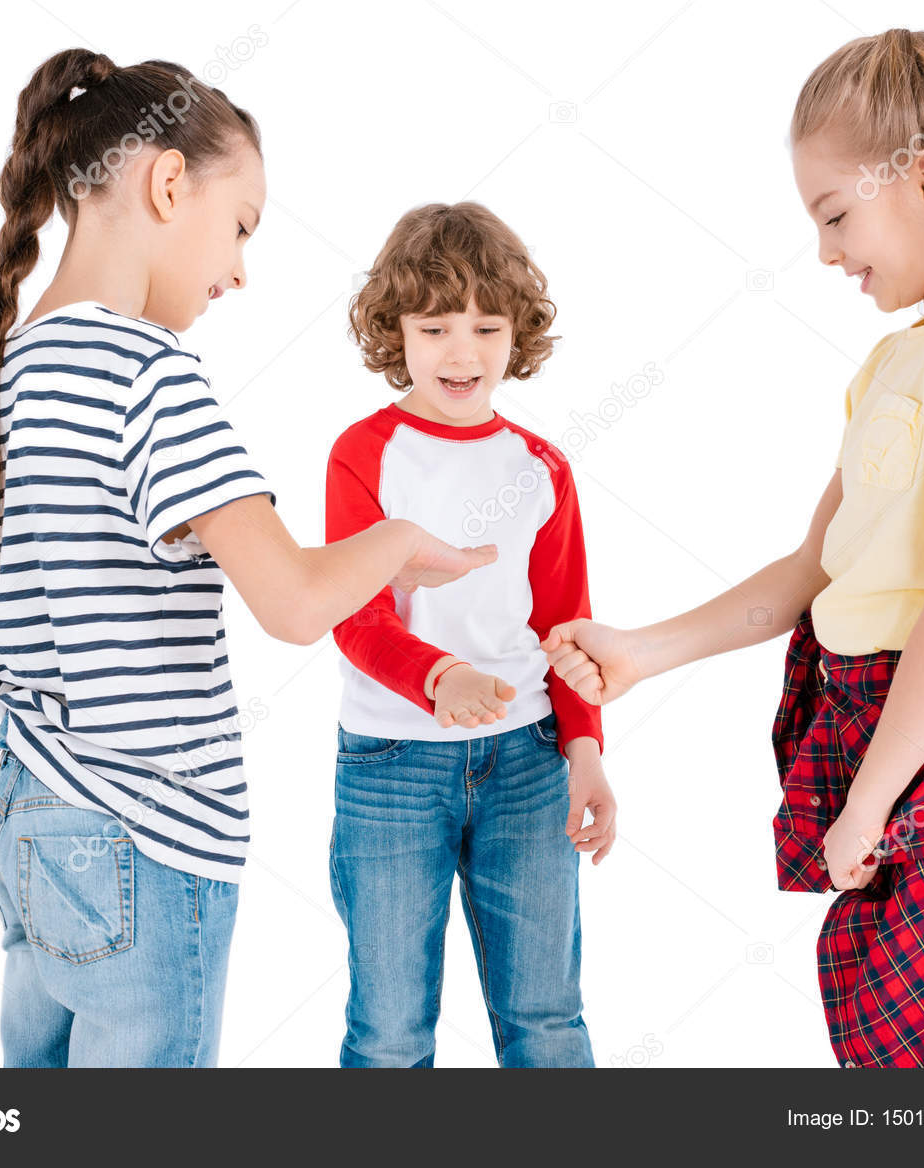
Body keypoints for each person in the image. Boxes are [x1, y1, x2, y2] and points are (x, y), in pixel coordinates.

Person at [541, 29, 924, 1068]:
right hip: (898, 741)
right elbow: (816, 569)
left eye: (834, 215)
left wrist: (871, 802)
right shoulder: (904, 358)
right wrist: (640, 651)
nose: (827, 251)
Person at [0, 50, 493, 1067]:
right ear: (164, 183)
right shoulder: (150, 376)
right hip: (144, 832)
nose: (239, 270)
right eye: (239, 227)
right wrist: (402, 540)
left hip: (29, 809)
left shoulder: (13, 371)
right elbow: (289, 601)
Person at [325, 202, 616, 1067]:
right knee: (388, 1031)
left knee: (546, 1019)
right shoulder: (363, 453)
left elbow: (568, 629)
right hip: (392, 764)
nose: (463, 351)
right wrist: (439, 675)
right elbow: (355, 613)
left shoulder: (542, 467)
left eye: (488, 326)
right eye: (435, 325)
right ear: (396, 330)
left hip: (527, 763)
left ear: (517, 333)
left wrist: (586, 750)